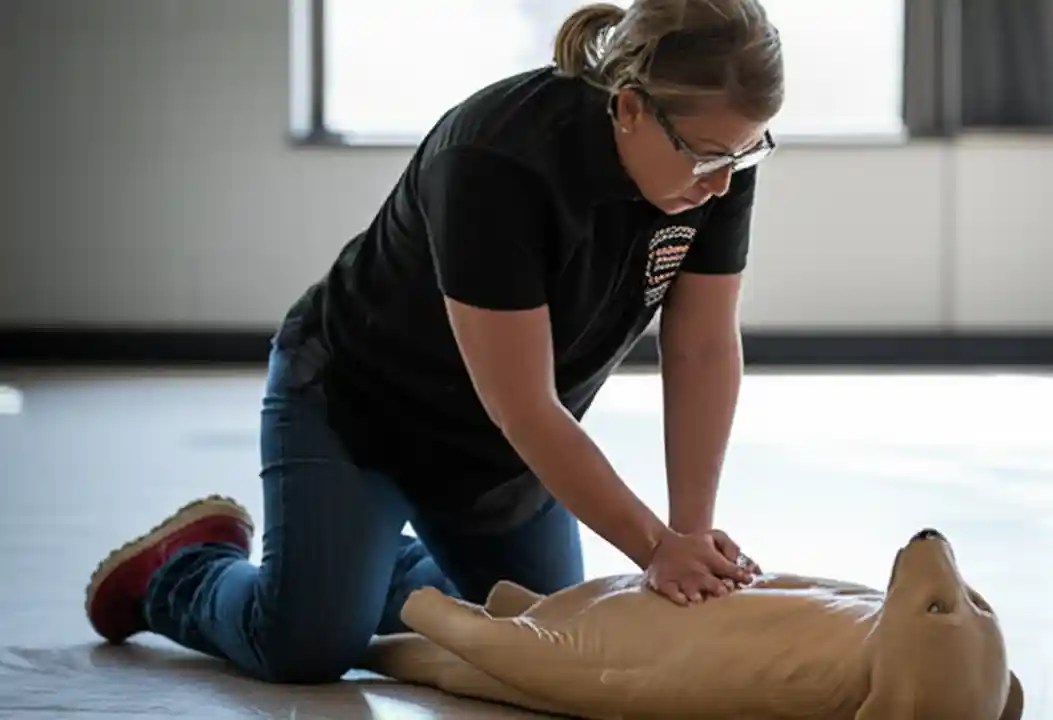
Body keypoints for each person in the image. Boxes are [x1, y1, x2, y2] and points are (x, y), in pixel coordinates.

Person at [85, 0, 784, 684]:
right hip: (359, 410)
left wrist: (689, 536)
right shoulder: (495, 157)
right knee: (306, 647)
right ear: (631, 107)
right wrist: (653, 547)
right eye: (705, 155)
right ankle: (184, 570)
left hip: (506, 456)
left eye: (746, 152)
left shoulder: (716, 173)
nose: (722, 180)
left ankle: (356, 569)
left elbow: (701, 349)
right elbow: (524, 405)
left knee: (538, 639)